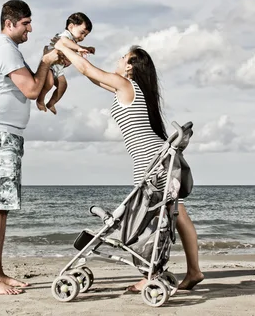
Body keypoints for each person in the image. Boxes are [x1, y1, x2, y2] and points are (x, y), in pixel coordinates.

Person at [53, 40, 205, 292]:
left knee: (151, 221)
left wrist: (62, 46)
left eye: (124, 57)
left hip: (150, 161)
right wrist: (76, 53)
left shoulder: (126, 85)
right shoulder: (124, 87)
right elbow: (94, 77)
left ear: (131, 67)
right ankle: (193, 271)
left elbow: (88, 71)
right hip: (156, 158)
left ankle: (151, 274)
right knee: (175, 215)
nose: (119, 59)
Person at [0, 0, 60, 295]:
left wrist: (50, 67)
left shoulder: (10, 50)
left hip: (5, 135)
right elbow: (32, 88)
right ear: (9, 23)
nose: (30, 29)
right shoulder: (4, 48)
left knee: (2, 206)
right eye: (25, 23)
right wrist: (46, 62)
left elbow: (37, 88)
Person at [36, 12, 95, 114]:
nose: (83, 37)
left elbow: (73, 46)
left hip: (58, 68)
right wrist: (79, 48)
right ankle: (40, 100)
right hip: (49, 63)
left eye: (85, 35)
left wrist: (86, 48)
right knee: (49, 83)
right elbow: (64, 42)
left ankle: (51, 103)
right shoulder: (65, 35)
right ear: (71, 27)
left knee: (63, 85)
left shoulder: (73, 42)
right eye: (82, 33)